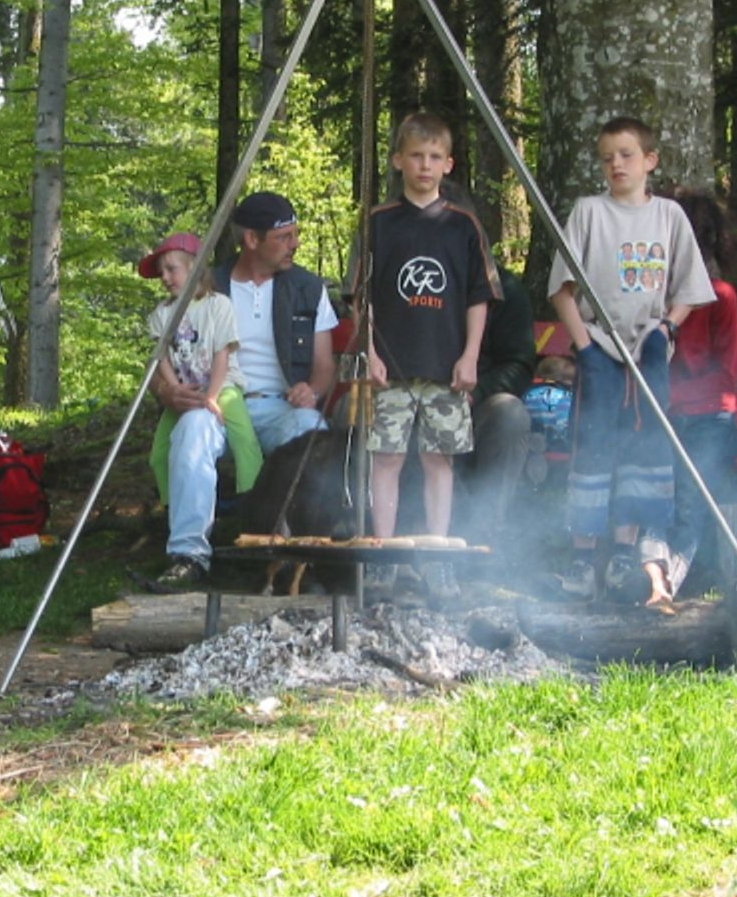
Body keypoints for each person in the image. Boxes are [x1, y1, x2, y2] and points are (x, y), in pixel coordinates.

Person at [547, 116, 713, 606]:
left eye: (626, 155)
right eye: (607, 158)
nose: (616, 164)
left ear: (649, 161)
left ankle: (624, 555)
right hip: (600, 344)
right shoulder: (589, 213)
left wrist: (667, 329)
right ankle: (583, 560)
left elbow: (690, 288)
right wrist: (584, 346)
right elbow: (562, 290)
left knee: (642, 449)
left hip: (648, 350)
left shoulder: (668, 217)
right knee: (594, 448)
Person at [153, 190, 337, 585]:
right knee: (192, 430)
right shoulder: (207, 286)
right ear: (251, 239)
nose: (295, 244)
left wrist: (312, 390)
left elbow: (325, 366)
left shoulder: (307, 287)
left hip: (282, 406)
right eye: (284, 237)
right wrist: (166, 392)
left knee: (311, 431)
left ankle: (304, 557)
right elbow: (161, 353)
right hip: (215, 400)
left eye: (295, 234)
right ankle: (188, 555)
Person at [363, 113, 497, 598]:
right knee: (387, 458)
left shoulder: (463, 225)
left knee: (440, 460)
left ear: (448, 164)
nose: (425, 165)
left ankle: (438, 557)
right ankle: (383, 556)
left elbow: (479, 296)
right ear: (398, 160)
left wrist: (470, 356)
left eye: (434, 157)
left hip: (446, 366)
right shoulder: (378, 222)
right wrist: (369, 352)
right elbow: (363, 297)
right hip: (391, 366)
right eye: (416, 156)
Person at [141, 232, 262, 512]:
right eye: (161, 272)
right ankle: (173, 506)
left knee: (245, 440)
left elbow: (222, 354)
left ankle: (252, 501)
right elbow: (161, 358)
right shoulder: (161, 314)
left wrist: (212, 397)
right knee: (159, 454)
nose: (165, 277)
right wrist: (175, 390)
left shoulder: (218, 305)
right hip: (186, 391)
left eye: (171, 269)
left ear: (194, 267)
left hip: (222, 385)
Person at [666, 189, 737, 598]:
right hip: (667, 418)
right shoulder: (657, 299)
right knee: (649, 479)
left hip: (711, 421)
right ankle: (643, 571)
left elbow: (726, 375)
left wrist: (677, 396)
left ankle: (671, 581)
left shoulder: (721, 297)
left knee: (690, 488)